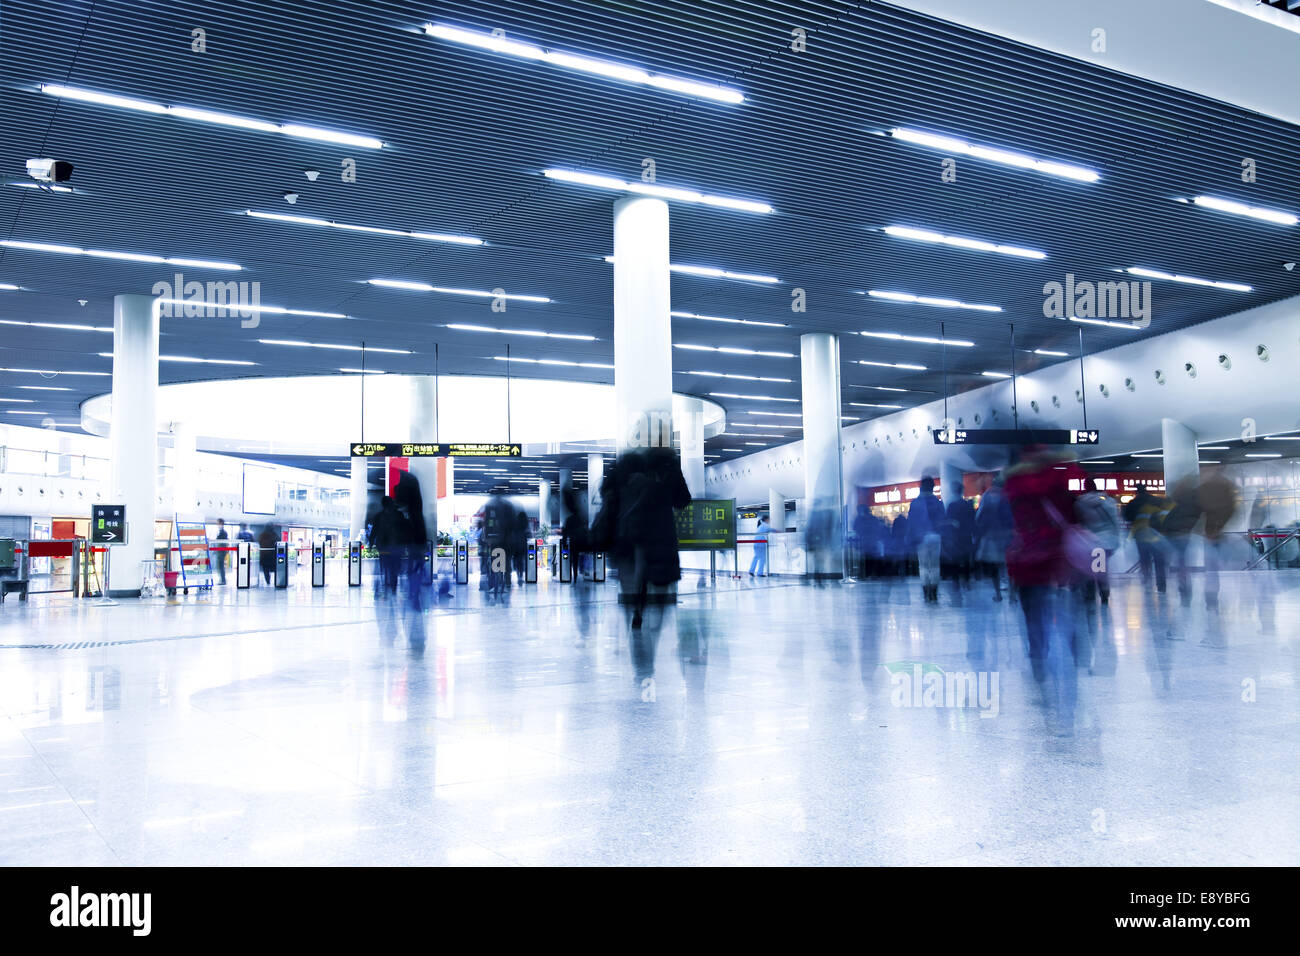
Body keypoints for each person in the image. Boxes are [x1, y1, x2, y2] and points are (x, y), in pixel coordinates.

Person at [1004, 446, 1085, 734]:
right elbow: (1076, 516)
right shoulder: (1060, 481)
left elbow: (1006, 529)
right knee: (1065, 613)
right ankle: (1072, 656)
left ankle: (1039, 659)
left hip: (1027, 565)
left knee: (1034, 617)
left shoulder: (1012, 487)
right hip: (1059, 562)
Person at [598, 444, 691, 629]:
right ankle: (649, 618)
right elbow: (683, 500)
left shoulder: (626, 464)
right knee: (656, 577)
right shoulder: (667, 466)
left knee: (637, 575)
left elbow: (606, 491)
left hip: (631, 532)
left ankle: (636, 611)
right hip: (659, 532)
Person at [1074, 477, 1120, 604]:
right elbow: (1115, 521)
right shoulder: (1108, 502)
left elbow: (1079, 522)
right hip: (1106, 541)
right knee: (1101, 568)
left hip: (1088, 541)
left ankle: (1090, 594)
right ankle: (1104, 593)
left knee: (1088, 569)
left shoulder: (1080, 503)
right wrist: (1117, 539)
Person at [906, 476, 946, 603]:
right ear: (932, 488)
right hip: (935, 537)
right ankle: (934, 593)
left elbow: (911, 523)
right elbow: (943, 521)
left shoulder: (915, 503)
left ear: (921, 487)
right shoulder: (938, 502)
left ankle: (926, 593)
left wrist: (910, 539)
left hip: (921, 537)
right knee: (934, 566)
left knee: (923, 566)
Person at [1124, 484, 1170, 593]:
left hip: (1141, 535)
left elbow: (1127, 517)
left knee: (1144, 559)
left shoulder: (1133, 503)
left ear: (1136, 491)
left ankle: (1147, 582)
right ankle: (1161, 585)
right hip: (1156, 534)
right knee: (1159, 560)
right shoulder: (1156, 501)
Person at [974, 475, 1014, 600]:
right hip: (1007, 535)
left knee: (994, 567)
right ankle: (1012, 594)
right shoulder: (1008, 495)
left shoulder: (986, 496)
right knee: (1010, 565)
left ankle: (998, 594)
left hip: (991, 536)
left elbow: (979, 516)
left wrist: (979, 532)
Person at [943, 494, 976, 594]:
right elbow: (973, 521)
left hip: (955, 536)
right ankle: (967, 580)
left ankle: (956, 581)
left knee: (955, 559)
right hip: (966, 535)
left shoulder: (951, 506)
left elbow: (948, 521)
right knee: (966, 559)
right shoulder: (968, 505)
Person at [214, 518, 229, 585]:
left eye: (218, 523)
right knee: (220, 566)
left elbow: (221, 541)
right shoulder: (221, 532)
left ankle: (223, 580)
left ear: (221, 523)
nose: (217, 525)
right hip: (220, 551)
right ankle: (222, 579)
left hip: (221, 551)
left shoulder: (223, 532)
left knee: (221, 566)